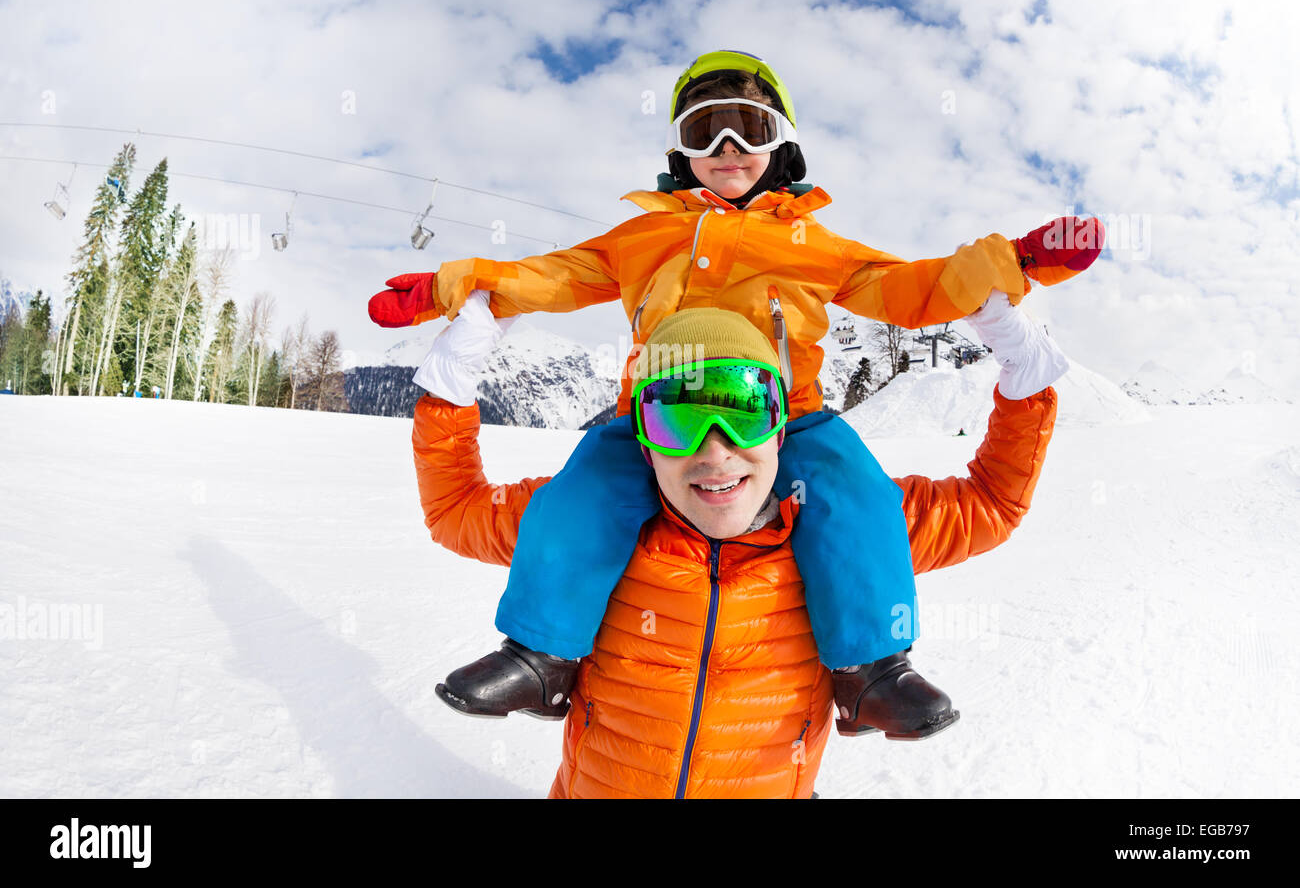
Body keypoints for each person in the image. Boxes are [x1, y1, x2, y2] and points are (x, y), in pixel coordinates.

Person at [373, 49, 1100, 737]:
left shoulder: (815, 245)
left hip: (787, 417)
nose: (727, 145)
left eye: (749, 128)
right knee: (584, 489)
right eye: (704, 129)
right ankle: (542, 654)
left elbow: (914, 288)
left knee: (858, 497)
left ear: (780, 145)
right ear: (679, 151)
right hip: (658, 413)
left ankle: (871, 666)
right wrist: (450, 287)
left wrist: (1017, 262)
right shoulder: (643, 236)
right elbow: (549, 277)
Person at [412, 298, 1064, 798]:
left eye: (743, 409)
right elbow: (456, 512)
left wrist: (1022, 365)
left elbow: (989, 504)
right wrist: (453, 370)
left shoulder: (849, 532)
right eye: (677, 417)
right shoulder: (585, 528)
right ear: (642, 441)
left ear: (781, 424)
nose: (714, 450)